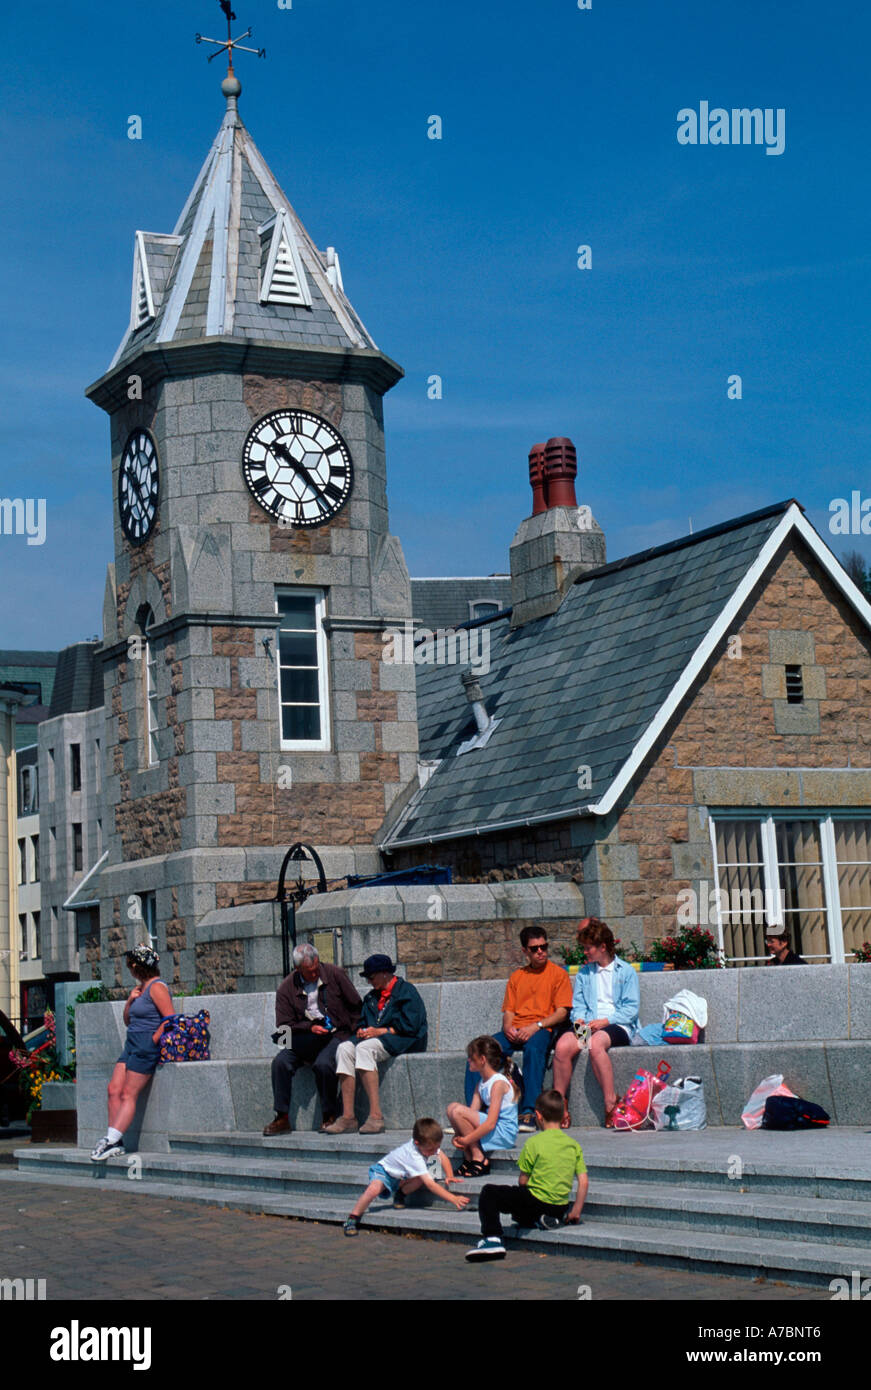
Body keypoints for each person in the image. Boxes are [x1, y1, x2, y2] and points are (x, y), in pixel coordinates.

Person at [463, 926, 571, 1130]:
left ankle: (529, 1111)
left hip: (542, 1028)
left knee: (534, 1049)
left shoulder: (558, 975)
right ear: (525, 952)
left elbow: (561, 1013)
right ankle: (475, 1112)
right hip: (516, 1029)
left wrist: (535, 1026)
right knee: (478, 1051)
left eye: (543, 946)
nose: (540, 951)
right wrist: (507, 1028)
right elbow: (509, 1011)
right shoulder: (517, 977)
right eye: (535, 948)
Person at [465, 1089, 588, 1260]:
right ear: (563, 1115)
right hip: (559, 1207)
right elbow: (583, 1181)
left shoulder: (534, 1142)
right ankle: (545, 1219)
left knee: (489, 1193)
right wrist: (575, 1210)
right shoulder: (573, 1145)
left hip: (536, 1200)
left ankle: (492, 1239)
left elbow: (523, 1180)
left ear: (538, 1115)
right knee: (519, 1212)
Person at [263, 943, 362, 1135]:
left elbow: (356, 1006)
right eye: (309, 972)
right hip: (303, 1038)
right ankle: (282, 1117)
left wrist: (352, 1033)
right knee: (280, 1063)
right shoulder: (286, 987)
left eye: (317, 969)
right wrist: (309, 1027)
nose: (315, 974)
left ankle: (329, 1114)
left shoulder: (335, 974)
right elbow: (283, 1025)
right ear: (298, 969)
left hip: (335, 1034)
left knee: (324, 1064)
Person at [90, 944, 176, 1161]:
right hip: (131, 1044)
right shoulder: (141, 989)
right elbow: (128, 1020)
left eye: (131, 966)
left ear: (140, 967)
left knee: (129, 1094)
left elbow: (170, 1019)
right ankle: (114, 1140)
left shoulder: (157, 987)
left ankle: (111, 1140)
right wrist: (130, 1001)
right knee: (113, 1089)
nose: (130, 970)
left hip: (146, 1046)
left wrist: (153, 1040)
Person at [325, 954, 427, 1135]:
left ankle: (375, 1116)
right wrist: (361, 1030)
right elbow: (363, 1021)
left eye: (372, 977)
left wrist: (380, 1031)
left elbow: (411, 1026)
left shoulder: (406, 991)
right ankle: (348, 1116)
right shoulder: (371, 997)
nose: (370, 981)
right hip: (375, 1038)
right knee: (344, 1048)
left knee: (365, 1049)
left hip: (403, 1038)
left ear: (385, 974)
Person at [552, 917, 640, 1127]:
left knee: (595, 1043)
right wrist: (579, 1020)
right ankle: (558, 1106)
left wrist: (605, 1021)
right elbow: (579, 1004)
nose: (584, 952)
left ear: (602, 947)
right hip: (590, 1025)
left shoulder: (625, 971)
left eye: (588, 948)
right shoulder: (585, 973)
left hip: (618, 1025)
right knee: (563, 1047)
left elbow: (630, 1009)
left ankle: (610, 1102)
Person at [343, 1117, 469, 1235]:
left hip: (400, 1177)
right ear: (417, 1143)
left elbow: (442, 1157)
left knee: (426, 1175)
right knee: (373, 1189)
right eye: (430, 1149)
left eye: (437, 1147)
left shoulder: (428, 1146)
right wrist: (453, 1198)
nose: (434, 1151)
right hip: (384, 1172)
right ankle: (353, 1217)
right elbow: (430, 1185)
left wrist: (450, 1175)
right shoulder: (414, 1155)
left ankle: (400, 1194)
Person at [445, 1035, 521, 1176]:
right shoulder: (481, 1083)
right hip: (494, 1130)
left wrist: (467, 1139)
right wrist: (459, 1135)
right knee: (452, 1109)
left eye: (471, 1058)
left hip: (504, 1133)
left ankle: (479, 1157)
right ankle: (469, 1158)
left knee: (457, 1111)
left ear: (482, 1060)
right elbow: (470, 1114)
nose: (468, 1061)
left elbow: (491, 1123)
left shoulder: (498, 1084)